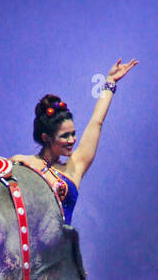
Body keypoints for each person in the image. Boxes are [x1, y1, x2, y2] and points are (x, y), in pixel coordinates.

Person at [10, 58, 138, 222]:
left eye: (73, 134)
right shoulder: (21, 163)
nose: (72, 140)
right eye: (65, 136)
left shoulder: (74, 167)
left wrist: (110, 82)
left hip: (63, 247)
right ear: (46, 138)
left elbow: (96, 122)